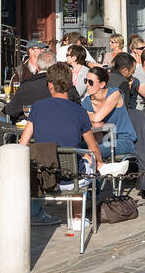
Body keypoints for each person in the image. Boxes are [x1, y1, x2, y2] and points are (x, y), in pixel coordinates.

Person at [19, 67, 101, 230]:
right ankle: (78, 218)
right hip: (71, 180)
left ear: (50, 85)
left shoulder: (37, 107)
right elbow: (93, 147)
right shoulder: (79, 111)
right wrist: (99, 162)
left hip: (44, 177)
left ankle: (36, 212)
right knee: (86, 159)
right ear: (70, 84)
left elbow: (23, 143)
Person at [82, 65, 136, 160]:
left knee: (93, 151)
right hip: (102, 140)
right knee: (75, 147)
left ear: (102, 84)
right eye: (85, 81)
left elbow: (97, 118)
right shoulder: (87, 101)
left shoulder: (114, 94)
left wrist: (89, 115)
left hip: (122, 139)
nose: (87, 84)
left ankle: (99, 171)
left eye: (90, 82)